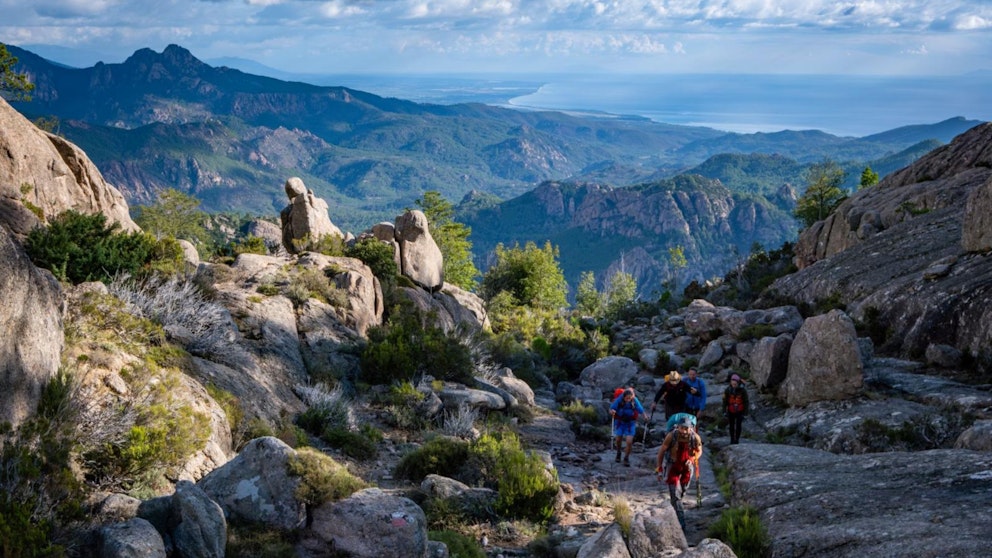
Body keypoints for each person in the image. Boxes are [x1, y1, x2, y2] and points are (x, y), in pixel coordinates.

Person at [656, 416, 703, 531]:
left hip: (687, 467)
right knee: (675, 495)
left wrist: (692, 459)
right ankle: (681, 523)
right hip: (673, 466)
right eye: (682, 428)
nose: (684, 431)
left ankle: (676, 508)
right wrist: (659, 469)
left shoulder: (694, 437)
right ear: (678, 427)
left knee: (681, 492)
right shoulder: (671, 436)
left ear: (691, 428)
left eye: (686, 428)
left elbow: (699, 450)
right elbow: (662, 451)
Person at [610, 388, 645, 467]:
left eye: (630, 398)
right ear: (623, 396)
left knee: (629, 442)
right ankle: (618, 452)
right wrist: (612, 411)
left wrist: (645, 416)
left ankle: (626, 458)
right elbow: (612, 408)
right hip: (620, 422)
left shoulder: (634, 400)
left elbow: (640, 409)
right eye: (627, 398)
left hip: (630, 423)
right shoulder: (619, 399)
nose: (628, 400)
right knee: (618, 439)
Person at [722, 373, 749, 444]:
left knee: (738, 426)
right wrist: (724, 411)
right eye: (732, 384)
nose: (734, 385)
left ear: (738, 383)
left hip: (740, 411)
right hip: (731, 410)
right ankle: (732, 439)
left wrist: (745, 413)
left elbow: (746, 401)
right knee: (731, 426)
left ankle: (737, 439)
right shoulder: (728, 390)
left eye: (735, 384)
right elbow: (725, 401)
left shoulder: (743, 391)